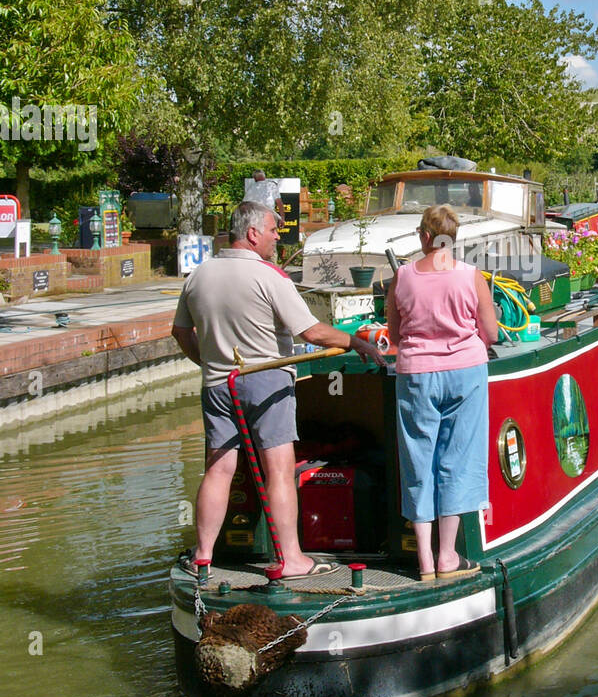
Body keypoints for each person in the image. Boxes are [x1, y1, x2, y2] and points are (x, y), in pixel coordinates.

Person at [171, 200, 383, 578]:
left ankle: (203, 555)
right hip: (267, 380)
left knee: (218, 469)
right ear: (252, 234)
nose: (275, 239)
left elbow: (181, 332)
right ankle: (291, 560)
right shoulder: (271, 277)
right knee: (280, 470)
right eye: (272, 231)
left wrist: (205, 362)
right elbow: (312, 332)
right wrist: (357, 343)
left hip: (219, 384)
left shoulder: (198, 275)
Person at [386, 204, 499, 581]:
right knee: (457, 460)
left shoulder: (401, 277)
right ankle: (448, 556)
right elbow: (492, 332)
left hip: (417, 374)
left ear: (423, 236)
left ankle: (424, 560)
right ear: (454, 237)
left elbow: (396, 334)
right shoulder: (471, 276)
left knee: (419, 461)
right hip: (465, 371)